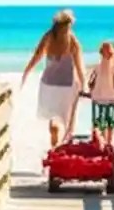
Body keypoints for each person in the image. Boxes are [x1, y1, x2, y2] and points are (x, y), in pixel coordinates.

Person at [21, 9, 86, 148]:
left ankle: (54, 145)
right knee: (67, 121)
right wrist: (84, 85)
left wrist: (26, 73)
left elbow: (36, 57)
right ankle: (62, 147)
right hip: (67, 86)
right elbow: (80, 68)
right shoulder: (73, 41)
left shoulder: (48, 37)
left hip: (48, 85)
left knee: (54, 118)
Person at [88, 40, 114, 145]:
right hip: (104, 97)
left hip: (107, 98)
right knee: (105, 123)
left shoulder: (111, 67)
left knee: (106, 122)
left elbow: (91, 82)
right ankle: (104, 143)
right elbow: (91, 82)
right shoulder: (111, 67)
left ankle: (105, 143)